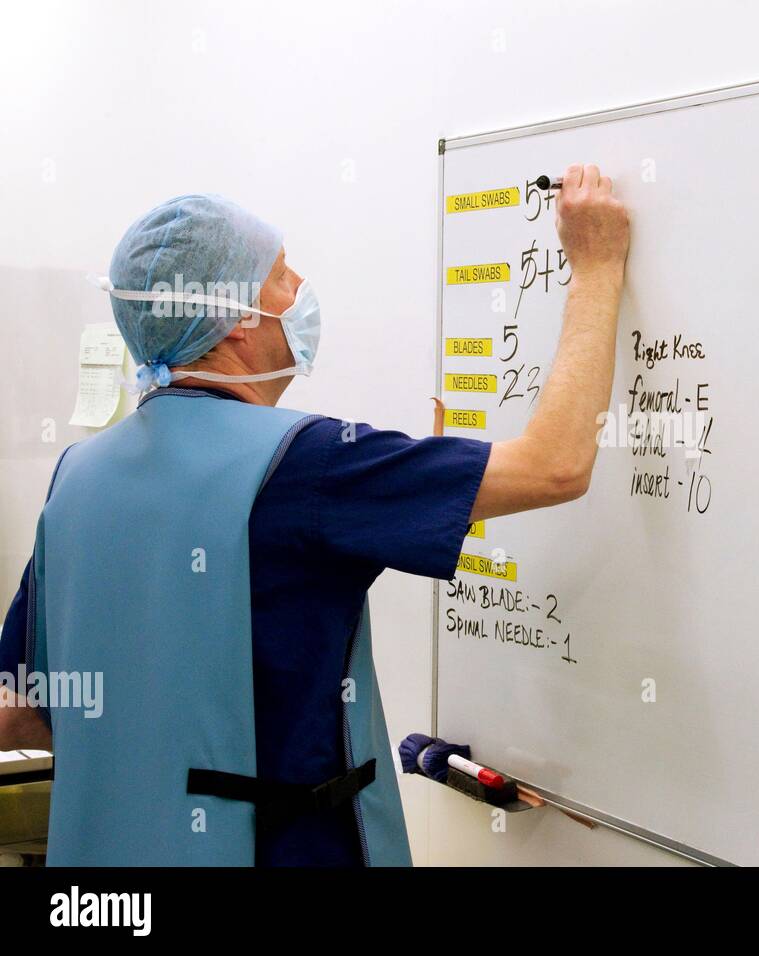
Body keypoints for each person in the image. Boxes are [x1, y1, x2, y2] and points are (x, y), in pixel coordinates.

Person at [0, 164, 629, 866]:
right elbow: (557, 465)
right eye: (279, 275)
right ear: (236, 319)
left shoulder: (76, 477)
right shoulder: (310, 463)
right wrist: (596, 266)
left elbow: (19, 710)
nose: (299, 289)